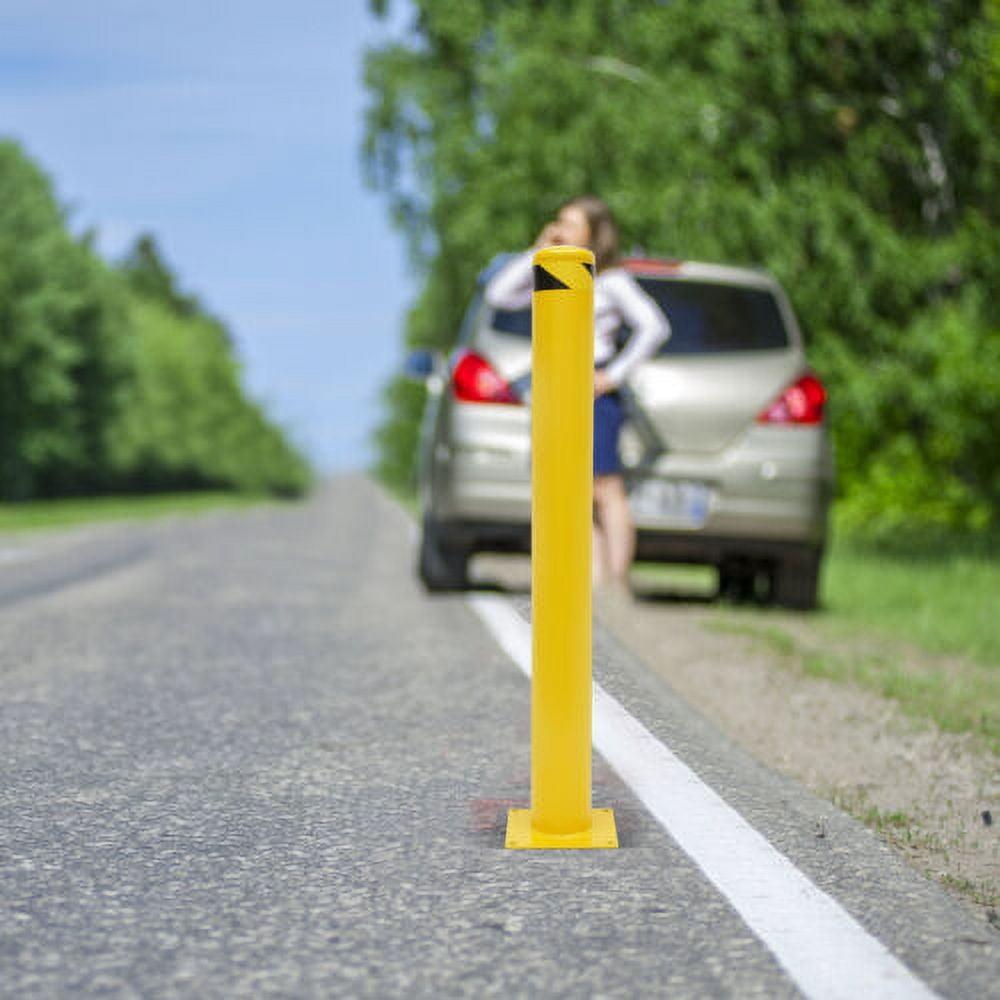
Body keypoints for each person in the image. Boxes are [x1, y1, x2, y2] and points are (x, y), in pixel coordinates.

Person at [483, 196, 671, 590]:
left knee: (605, 488)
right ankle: (594, 579)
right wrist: (537, 251)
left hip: (593, 391)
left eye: (570, 223)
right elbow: (498, 295)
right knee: (573, 489)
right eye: (559, 221)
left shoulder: (611, 280)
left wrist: (613, 375)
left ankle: (617, 580)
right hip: (555, 388)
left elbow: (654, 327)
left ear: (593, 232)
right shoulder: (550, 273)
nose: (560, 227)